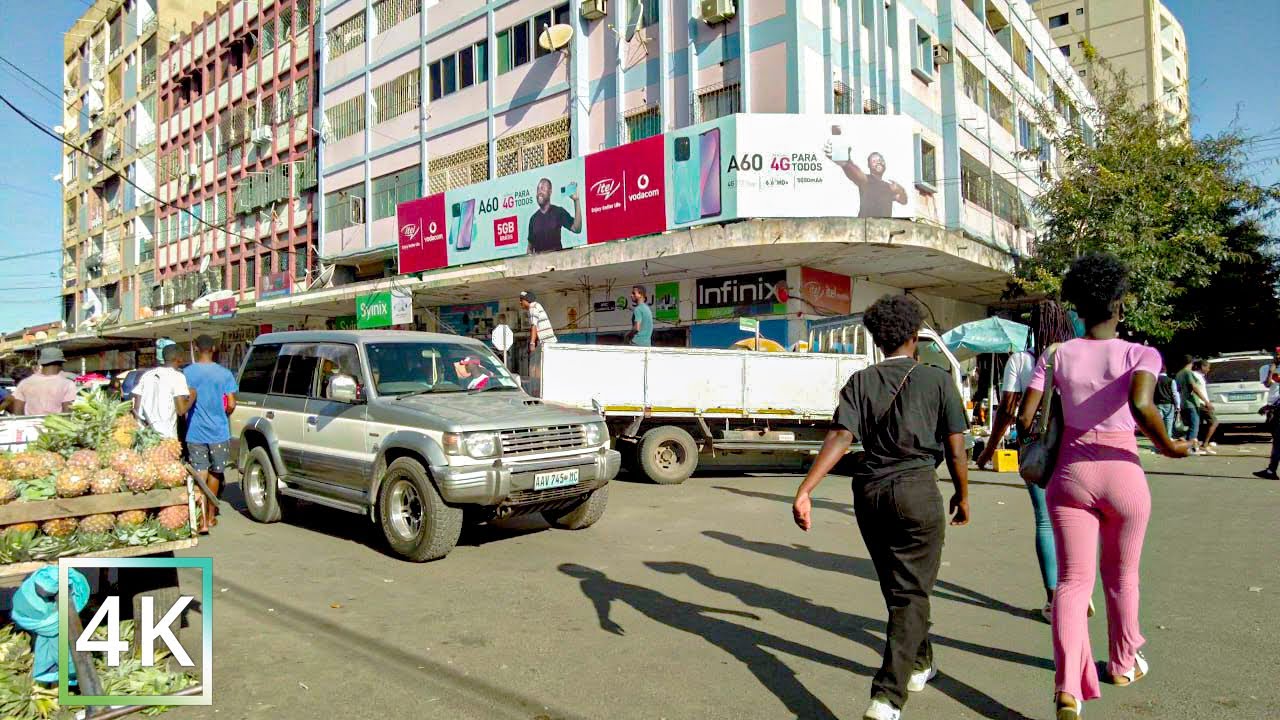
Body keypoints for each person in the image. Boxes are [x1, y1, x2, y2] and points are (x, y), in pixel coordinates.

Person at [1016, 253, 1187, 720]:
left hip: (1071, 475)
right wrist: (1170, 447)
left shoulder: (1056, 355)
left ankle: (1068, 687)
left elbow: (1027, 416)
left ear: (1079, 307)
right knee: (1123, 577)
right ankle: (1122, 663)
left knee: (1073, 583)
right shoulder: (1140, 353)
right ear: (1118, 304)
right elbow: (1142, 403)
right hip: (1122, 472)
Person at [791, 294, 970, 720]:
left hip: (869, 493)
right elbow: (957, 448)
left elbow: (840, 437)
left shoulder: (860, 381)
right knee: (911, 591)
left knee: (900, 587)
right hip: (916, 491)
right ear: (915, 336)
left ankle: (921, 663)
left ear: (877, 339)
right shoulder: (938, 379)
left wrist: (806, 488)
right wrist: (963, 494)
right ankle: (887, 697)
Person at [974, 300, 1079, 621]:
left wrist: (989, 451)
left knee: (1046, 520)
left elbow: (1008, 411)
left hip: (1036, 446)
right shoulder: (1078, 356)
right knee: (1075, 520)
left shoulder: (1022, 360)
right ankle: (1077, 588)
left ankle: (1054, 599)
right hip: (1075, 445)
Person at [182, 335, 236, 532]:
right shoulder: (224, 373)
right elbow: (230, 403)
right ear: (213, 348)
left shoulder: (186, 373)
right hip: (218, 432)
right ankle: (211, 516)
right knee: (216, 472)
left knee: (199, 473)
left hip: (194, 432)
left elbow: (182, 402)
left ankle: (200, 519)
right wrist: (222, 414)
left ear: (196, 348)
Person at [822, 146, 909, 218]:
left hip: (883, 231)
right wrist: (846, 163)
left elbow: (903, 201)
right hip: (865, 230)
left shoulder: (889, 187)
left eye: (880, 160)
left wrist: (901, 190)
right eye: (874, 161)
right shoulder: (867, 180)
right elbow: (857, 174)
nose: (878, 162)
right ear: (869, 166)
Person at [133, 344, 194, 440]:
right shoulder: (177, 376)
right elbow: (181, 410)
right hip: (165, 436)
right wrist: (193, 395)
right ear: (179, 358)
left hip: (145, 435)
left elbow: (137, 406)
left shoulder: (147, 375)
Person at [12, 348, 78, 415]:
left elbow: (17, 412)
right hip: (54, 424)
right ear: (61, 363)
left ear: (41, 363)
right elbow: (67, 413)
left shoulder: (24, 383)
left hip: (30, 424)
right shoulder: (67, 384)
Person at [527, 178, 582, 253]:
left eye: (543, 189)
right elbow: (530, 248)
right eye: (538, 189)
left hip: (557, 260)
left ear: (550, 192)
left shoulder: (558, 212)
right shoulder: (533, 219)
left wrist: (576, 201)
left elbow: (576, 229)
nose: (539, 192)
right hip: (539, 262)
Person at [521, 290, 556, 397]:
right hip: (547, 342)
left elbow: (534, 326)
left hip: (547, 342)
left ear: (527, 300)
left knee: (537, 366)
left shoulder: (532, 308)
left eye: (521, 301)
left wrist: (532, 344)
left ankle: (538, 389)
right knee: (539, 367)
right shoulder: (537, 306)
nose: (520, 303)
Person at [1254, 348, 1280, 480]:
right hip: (1274, 407)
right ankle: (1271, 470)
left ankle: (1271, 470)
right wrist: (1271, 371)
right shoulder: (1267, 368)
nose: (1278, 356)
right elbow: (1268, 384)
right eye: (1276, 354)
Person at [1174, 355, 1209, 453]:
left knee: (1190, 426)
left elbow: (1178, 389)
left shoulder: (1178, 374)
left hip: (1183, 402)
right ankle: (1191, 448)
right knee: (1195, 426)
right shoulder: (1188, 373)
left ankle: (1184, 441)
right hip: (1191, 402)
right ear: (1191, 363)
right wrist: (1206, 401)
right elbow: (1194, 387)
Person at [1192, 360, 1219, 453]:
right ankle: (1205, 444)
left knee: (1198, 424)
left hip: (1202, 402)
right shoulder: (1195, 375)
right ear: (1202, 367)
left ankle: (1199, 444)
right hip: (1200, 403)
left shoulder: (1200, 376)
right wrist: (1206, 402)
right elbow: (1195, 389)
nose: (1209, 369)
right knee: (1214, 422)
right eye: (1207, 367)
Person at [1154, 362, 1180, 442]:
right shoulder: (1171, 381)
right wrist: (1178, 405)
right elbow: (1175, 394)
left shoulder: (1154, 381)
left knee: (1159, 422)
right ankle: (1168, 439)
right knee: (1168, 421)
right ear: (1166, 371)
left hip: (1157, 403)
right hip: (1169, 404)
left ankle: (1159, 439)